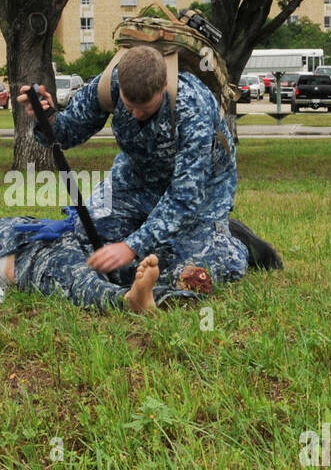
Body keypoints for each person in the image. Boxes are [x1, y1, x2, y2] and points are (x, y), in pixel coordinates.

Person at [16, 45, 247, 288]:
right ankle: (159, 228)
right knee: (87, 235)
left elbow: (186, 195)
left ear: (164, 85)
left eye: (145, 109)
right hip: (137, 179)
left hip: (202, 194)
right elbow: (68, 131)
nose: (136, 114)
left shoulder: (191, 105)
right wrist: (48, 117)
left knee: (195, 267)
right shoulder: (109, 85)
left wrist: (132, 246)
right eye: (129, 107)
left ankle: (226, 239)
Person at [0, 215, 209, 313]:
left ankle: (178, 279)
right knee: (79, 280)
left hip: (58, 237)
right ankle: (137, 299)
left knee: (117, 263)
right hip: (33, 260)